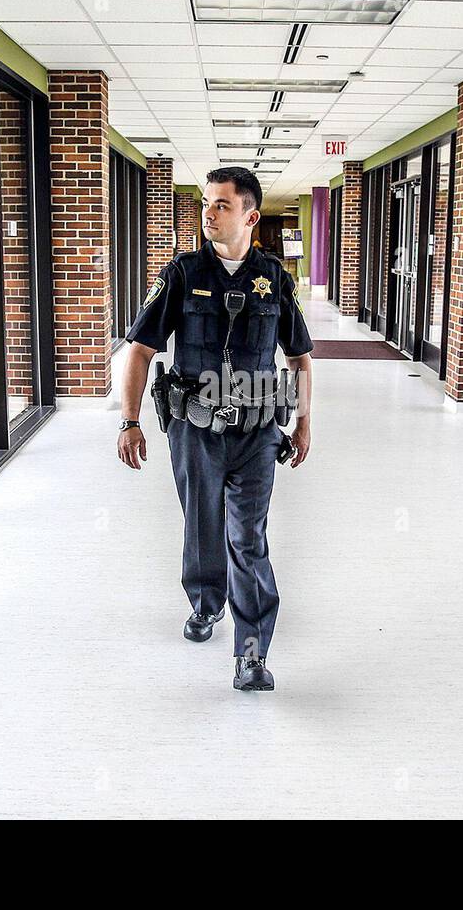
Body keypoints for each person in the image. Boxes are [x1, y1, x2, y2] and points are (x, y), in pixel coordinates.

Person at [116, 166, 314, 691]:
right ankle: (206, 604)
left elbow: (298, 357)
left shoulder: (274, 278)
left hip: (256, 435)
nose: (209, 213)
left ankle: (251, 654)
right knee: (203, 530)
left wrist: (303, 420)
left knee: (248, 541)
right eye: (207, 203)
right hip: (195, 432)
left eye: (221, 205)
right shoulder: (182, 273)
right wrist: (129, 421)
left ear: (249, 216)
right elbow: (140, 350)